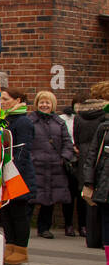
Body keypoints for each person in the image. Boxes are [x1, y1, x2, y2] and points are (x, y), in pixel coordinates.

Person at [28, 90, 76, 238]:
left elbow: (68, 143)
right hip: (35, 166)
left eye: (47, 102)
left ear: (52, 104)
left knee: (49, 199)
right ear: (37, 104)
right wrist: (31, 158)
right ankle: (25, 227)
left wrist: (63, 158)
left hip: (55, 166)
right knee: (30, 199)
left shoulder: (59, 122)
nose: (44, 105)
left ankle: (44, 228)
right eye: (41, 102)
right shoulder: (30, 121)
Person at [0, 88, 36, 265]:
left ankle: (21, 249)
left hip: (17, 174)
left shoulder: (23, 122)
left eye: (6, 99)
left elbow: (22, 150)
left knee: (20, 214)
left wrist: (13, 173)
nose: (2, 101)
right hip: (5, 173)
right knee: (7, 213)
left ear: (17, 100)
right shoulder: (5, 119)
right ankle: (10, 245)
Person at [78, 80, 109, 265]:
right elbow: (92, 156)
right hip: (105, 183)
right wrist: (89, 182)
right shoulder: (104, 128)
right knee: (106, 222)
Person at [73, 87, 106, 235]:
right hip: (101, 162)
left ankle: (85, 228)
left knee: (88, 196)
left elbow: (77, 139)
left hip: (86, 157)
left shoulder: (80, 116)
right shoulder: (103, 119)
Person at [60, 95, 87, 236]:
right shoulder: (64, 119)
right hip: (69, 162)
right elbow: (63, 137)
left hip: (83, 162)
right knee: (69, 196)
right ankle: (68, 224)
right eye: (76, 105)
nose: (78, 108)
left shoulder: (87, 119)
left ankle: (83, 225)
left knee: (82, 196)